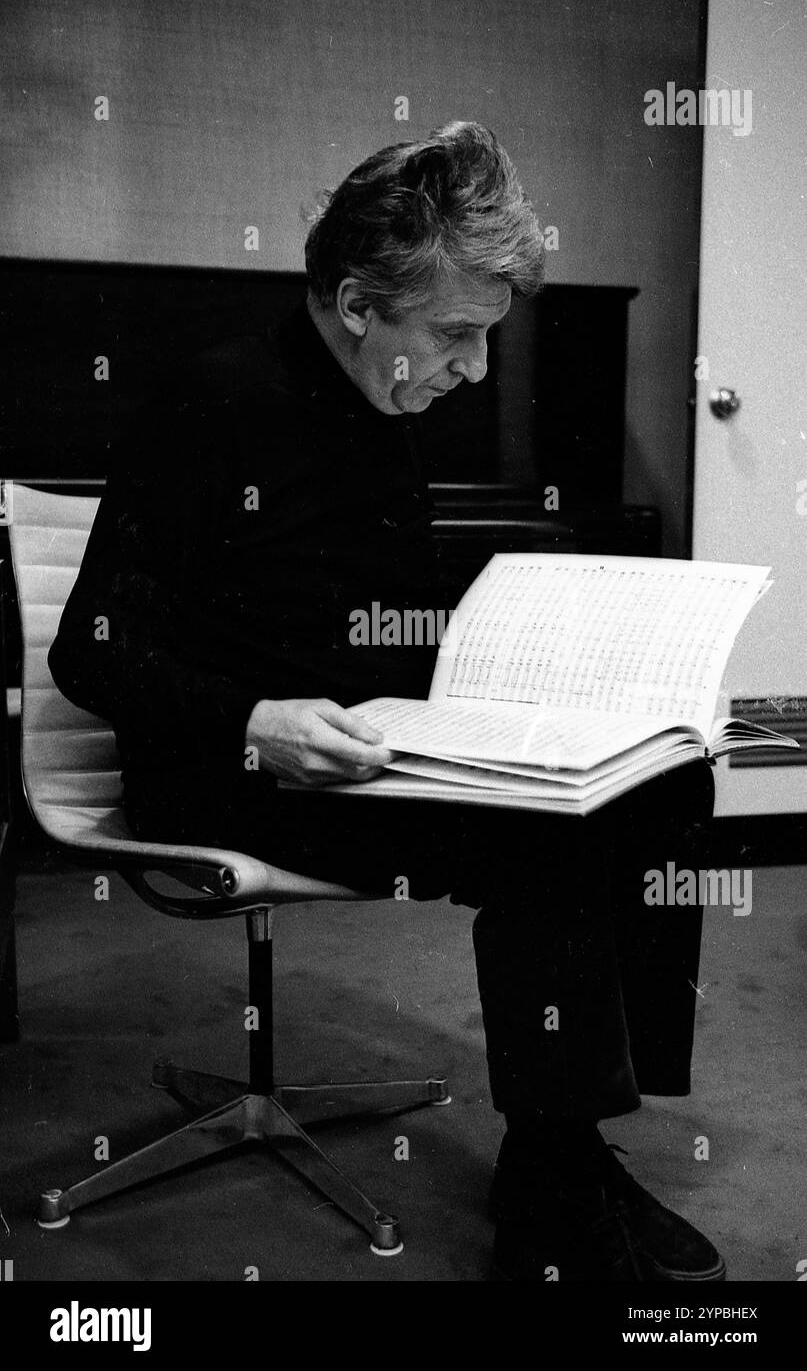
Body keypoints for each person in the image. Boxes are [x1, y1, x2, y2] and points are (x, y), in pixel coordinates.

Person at [49, 121, 724, 1282]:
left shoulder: (388, 402)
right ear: (358, 301)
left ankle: (575, 1133)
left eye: (488, 339)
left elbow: (384, 603)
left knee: (664, 773)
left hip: (366, 744)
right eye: (457, 335)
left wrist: (558, 652)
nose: (475, 369)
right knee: (546, 828)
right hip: (227, 761)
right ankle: (552, 1188)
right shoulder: (211, 402)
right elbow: (89, 651)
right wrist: (258, 720)